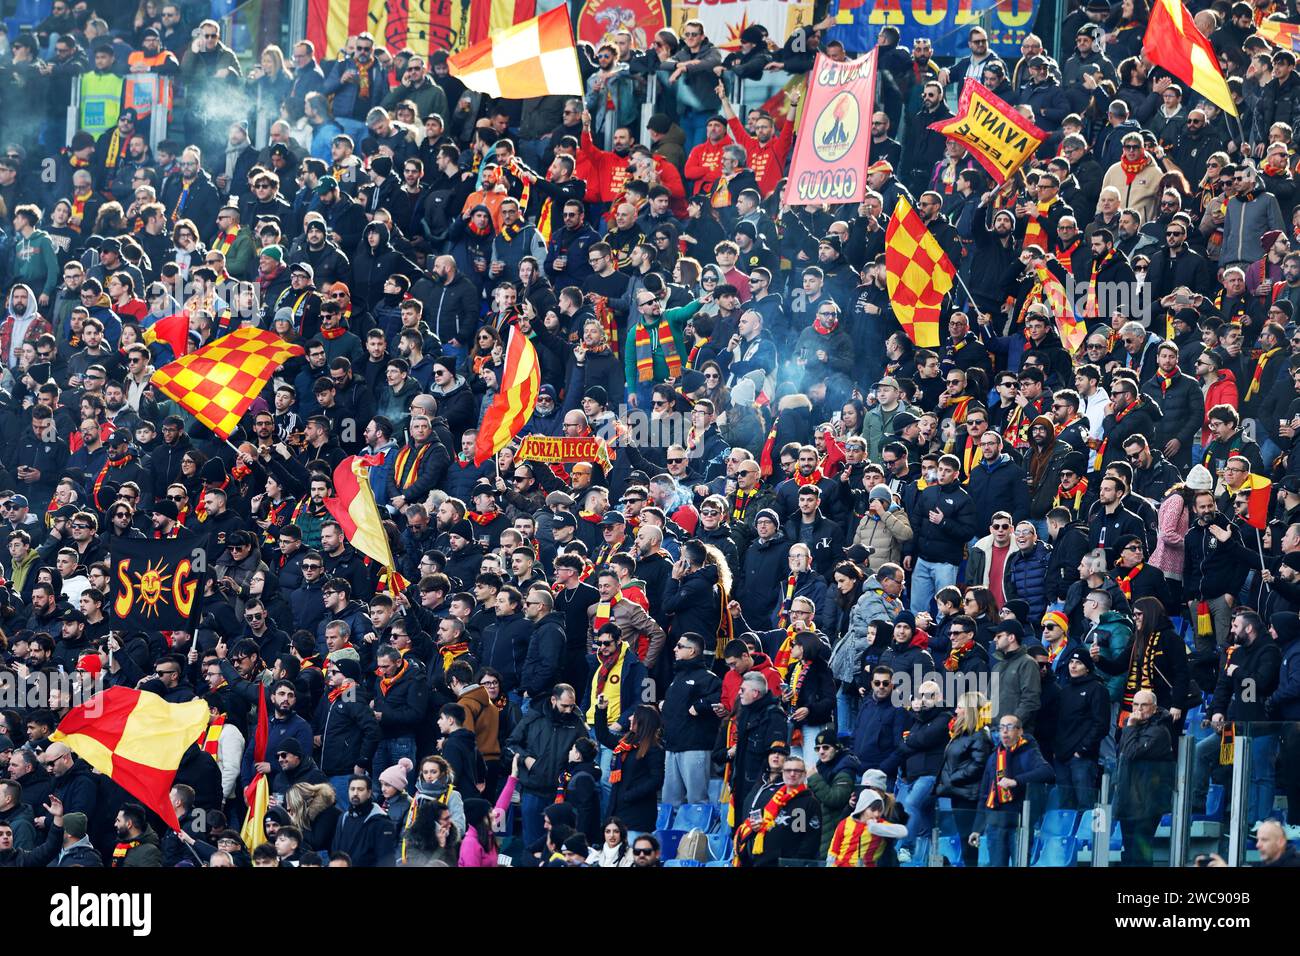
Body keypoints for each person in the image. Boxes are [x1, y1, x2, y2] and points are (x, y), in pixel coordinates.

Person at [969, 715, 1054, 866]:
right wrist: (977, 828)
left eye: (1009, 728)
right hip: (995, 823)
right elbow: (985, 794)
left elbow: (1047, 772)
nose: (1004, 732)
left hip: (1019, 823)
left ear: (1020, 731)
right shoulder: (994, 757)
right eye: (1001, 728)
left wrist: (1016, 781)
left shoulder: (1029, 752)